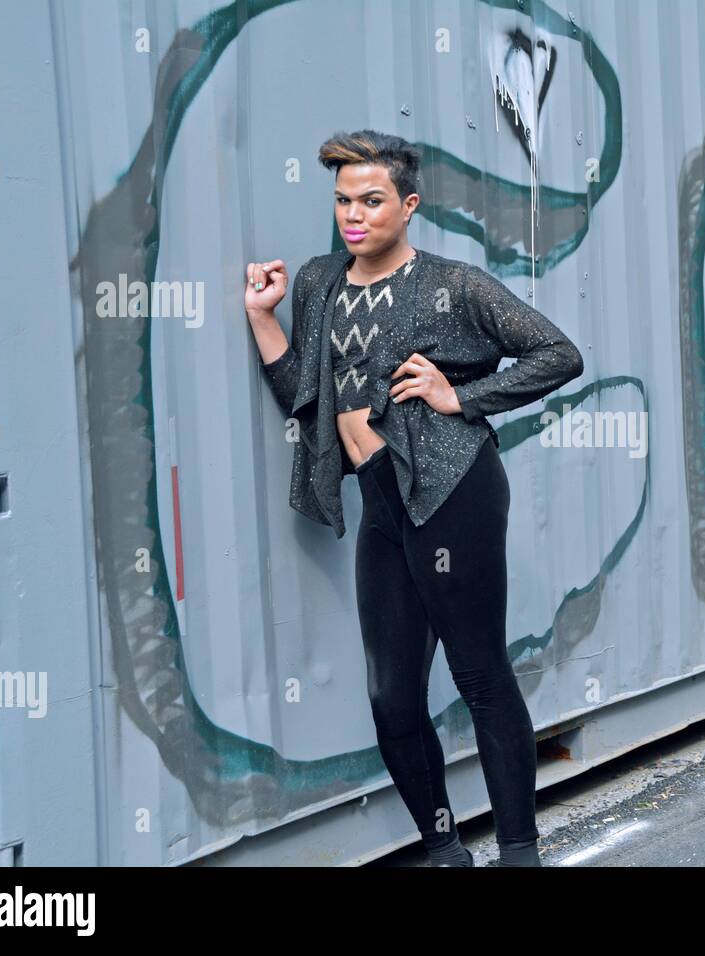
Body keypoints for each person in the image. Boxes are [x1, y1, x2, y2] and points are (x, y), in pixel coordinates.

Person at [244, 129, 584, 867]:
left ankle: (519, 854)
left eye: (371, 200)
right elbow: (303, 398)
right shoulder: (318, 283)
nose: (353, 216)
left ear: (408, 204)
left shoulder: (452, 285)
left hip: (453, 489)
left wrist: (461, 397)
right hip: (381, 499)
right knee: (393, 697)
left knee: (479, 673)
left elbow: (559, 353)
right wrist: (265, 319)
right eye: (342, 202)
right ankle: (444, 849)